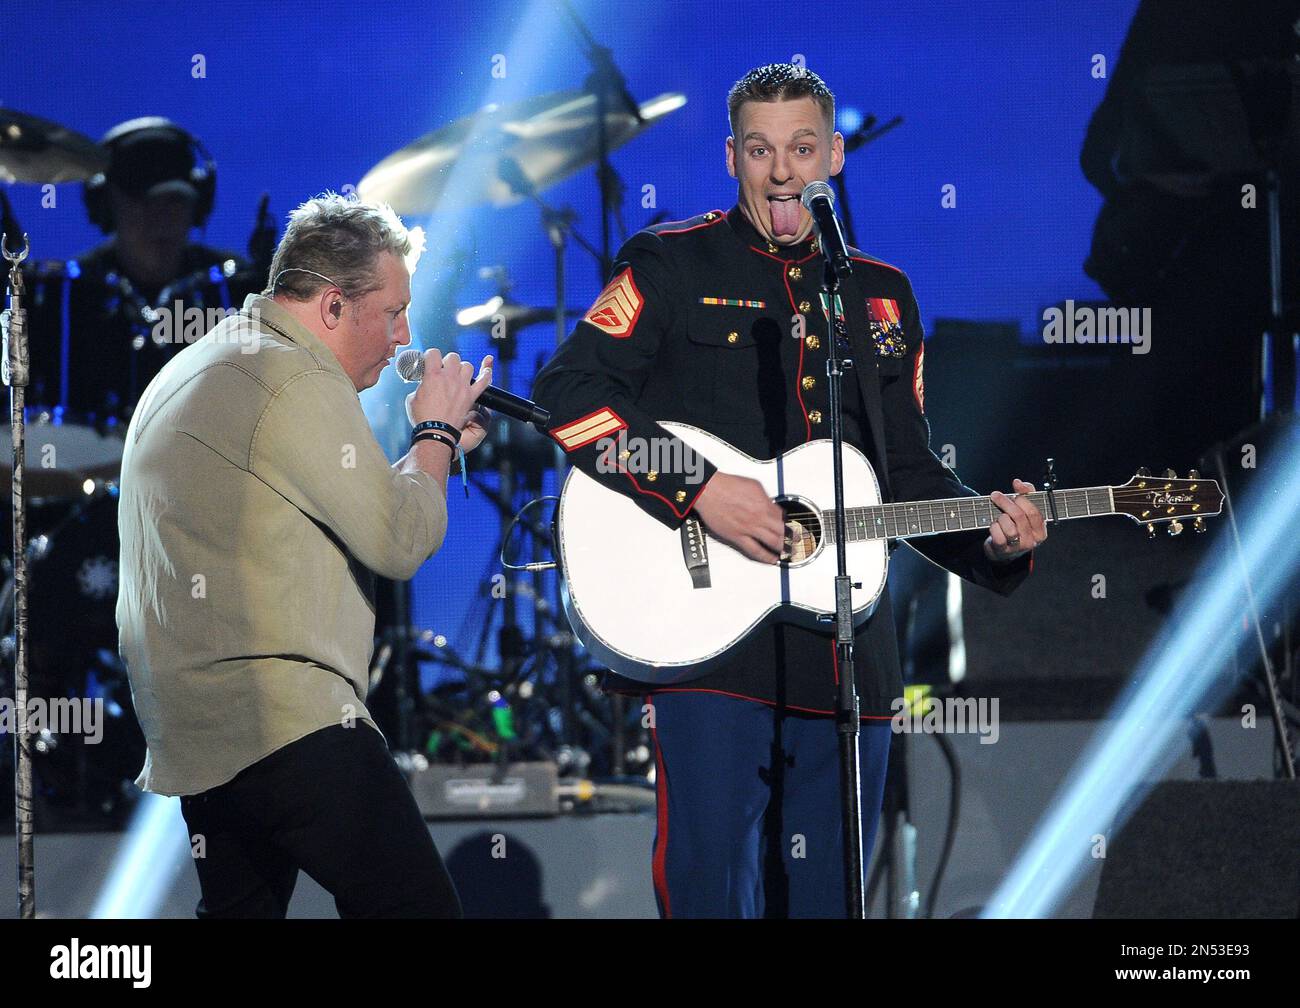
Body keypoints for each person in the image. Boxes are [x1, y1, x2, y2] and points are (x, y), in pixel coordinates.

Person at [533, 64, 1047, 918]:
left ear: (835, 155)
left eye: (802, 148)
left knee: (829, 895)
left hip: (849, 648)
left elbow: (907, 473)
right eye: (761, 150)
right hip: (708, 639)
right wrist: (697, 489)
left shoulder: (881, 295)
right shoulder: (669, 262)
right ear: (732, 156)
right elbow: (568, 395)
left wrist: (992, 542)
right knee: (709, 886)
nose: (781, 172)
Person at [116, 193, 493, 918]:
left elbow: (334, 513)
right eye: (391, 312)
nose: (403, 336)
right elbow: (398, 541)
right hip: (289, 722)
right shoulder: (294, 377)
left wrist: (428, 456)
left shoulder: (212, 361)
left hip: (202, 733)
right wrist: (435, 436)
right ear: (330, 306)